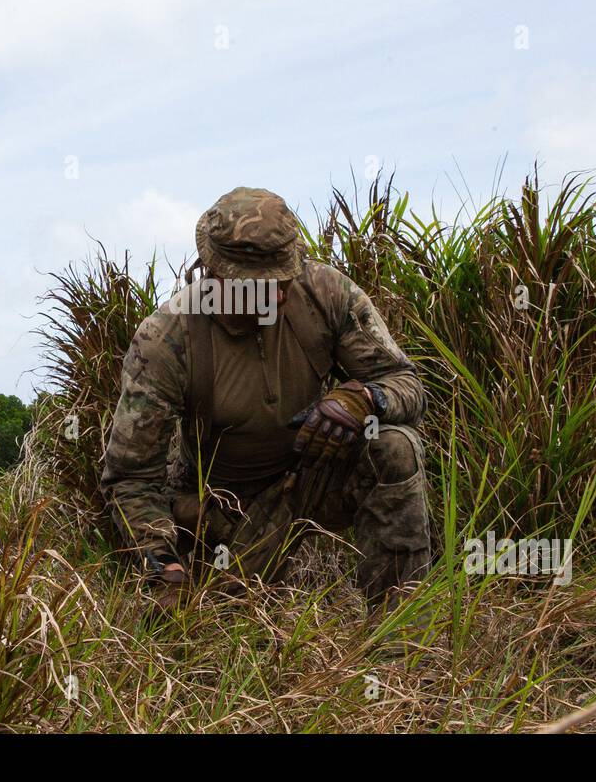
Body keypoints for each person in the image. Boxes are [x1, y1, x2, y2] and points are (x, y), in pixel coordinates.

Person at [101, 187, 431, 611]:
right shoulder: (167, 339)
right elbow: (131, 478)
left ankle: (399, 631)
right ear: (215, 276)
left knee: (395, 446)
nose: (276, 296)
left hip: (312, 478)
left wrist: (365, 399)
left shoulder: (327, 294)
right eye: (258, 285)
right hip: (219, 508)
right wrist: (164, 568)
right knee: (211, 626)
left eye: (284, 279)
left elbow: (404, 381)